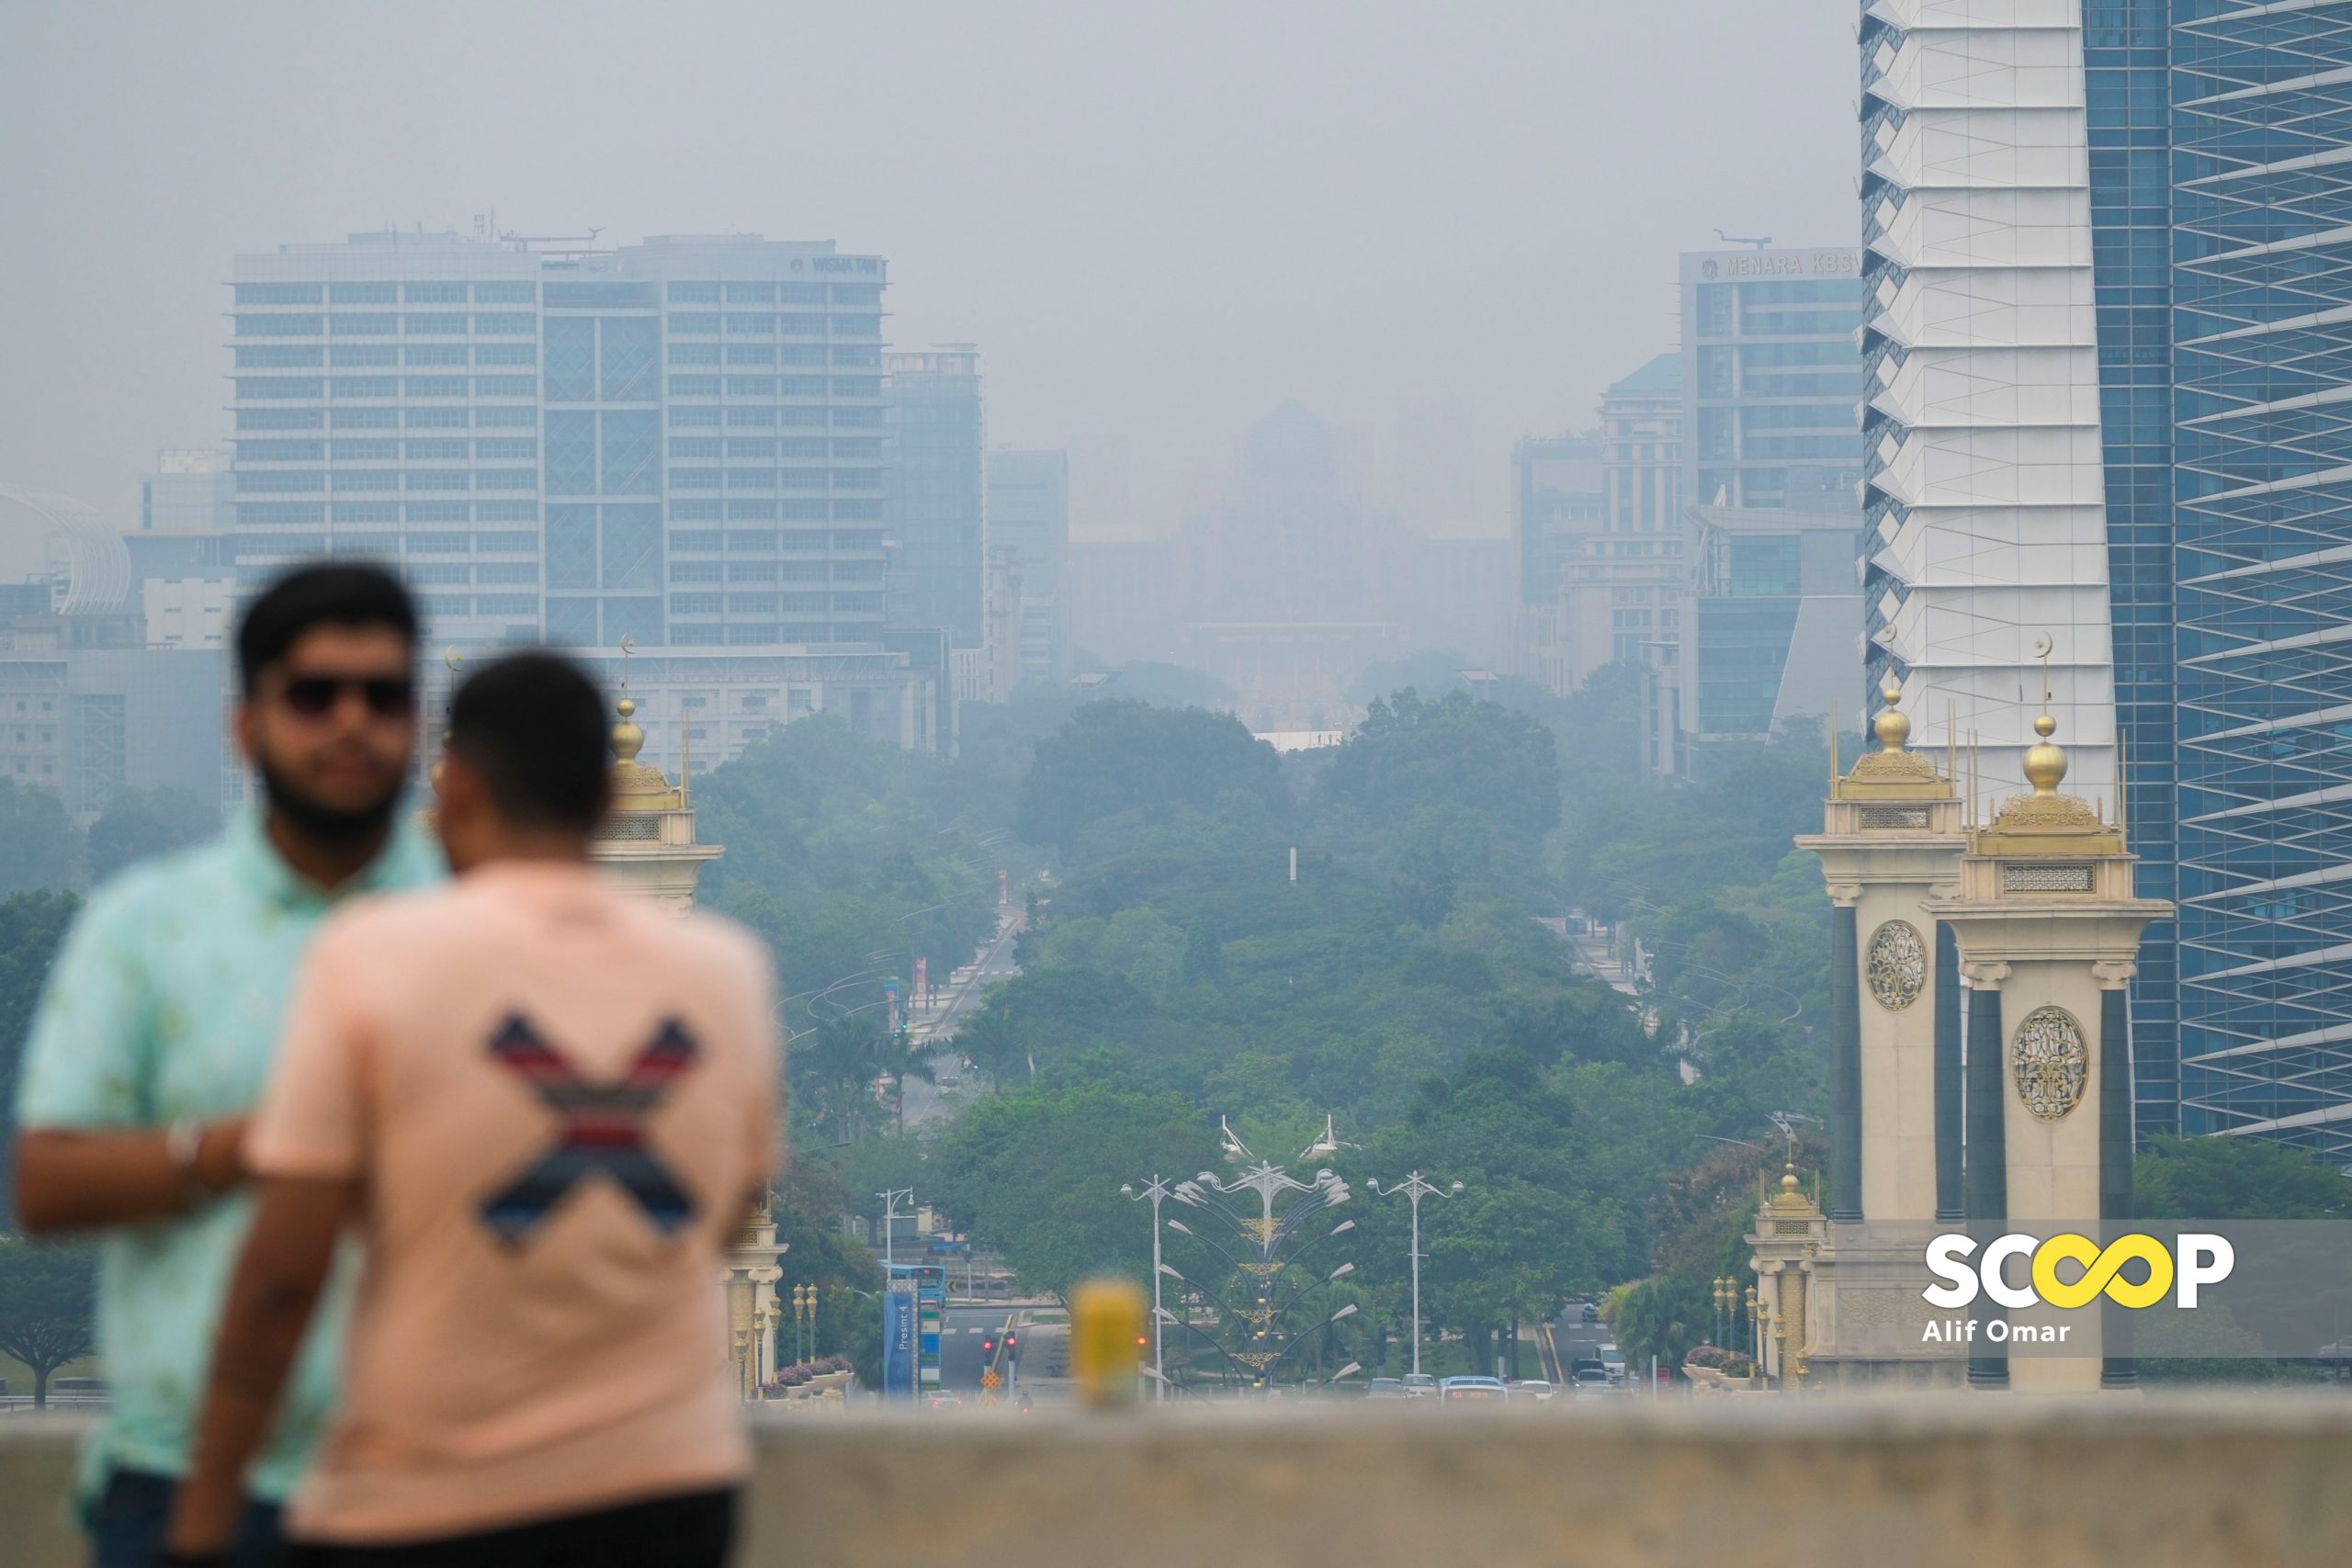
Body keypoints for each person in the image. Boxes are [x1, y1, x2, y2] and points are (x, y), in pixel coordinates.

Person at [167, 651, 779, 1568]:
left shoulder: (368, 957)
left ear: (453, 792)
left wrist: (202, 1516)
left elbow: (281, 1273)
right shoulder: (728, 974)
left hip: (425, 1501)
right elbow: (723, 1220)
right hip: (671, 1494)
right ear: (606, 802)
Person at [14, 564, 437, 1568]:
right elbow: (48, 1182)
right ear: (244, 727)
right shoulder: (146, 926)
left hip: (435, 1483)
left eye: (382, 696)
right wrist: (250, 1147)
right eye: (313, 695)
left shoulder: (476, 925)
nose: (351, 723)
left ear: (418, 726)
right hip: (178, 1476)